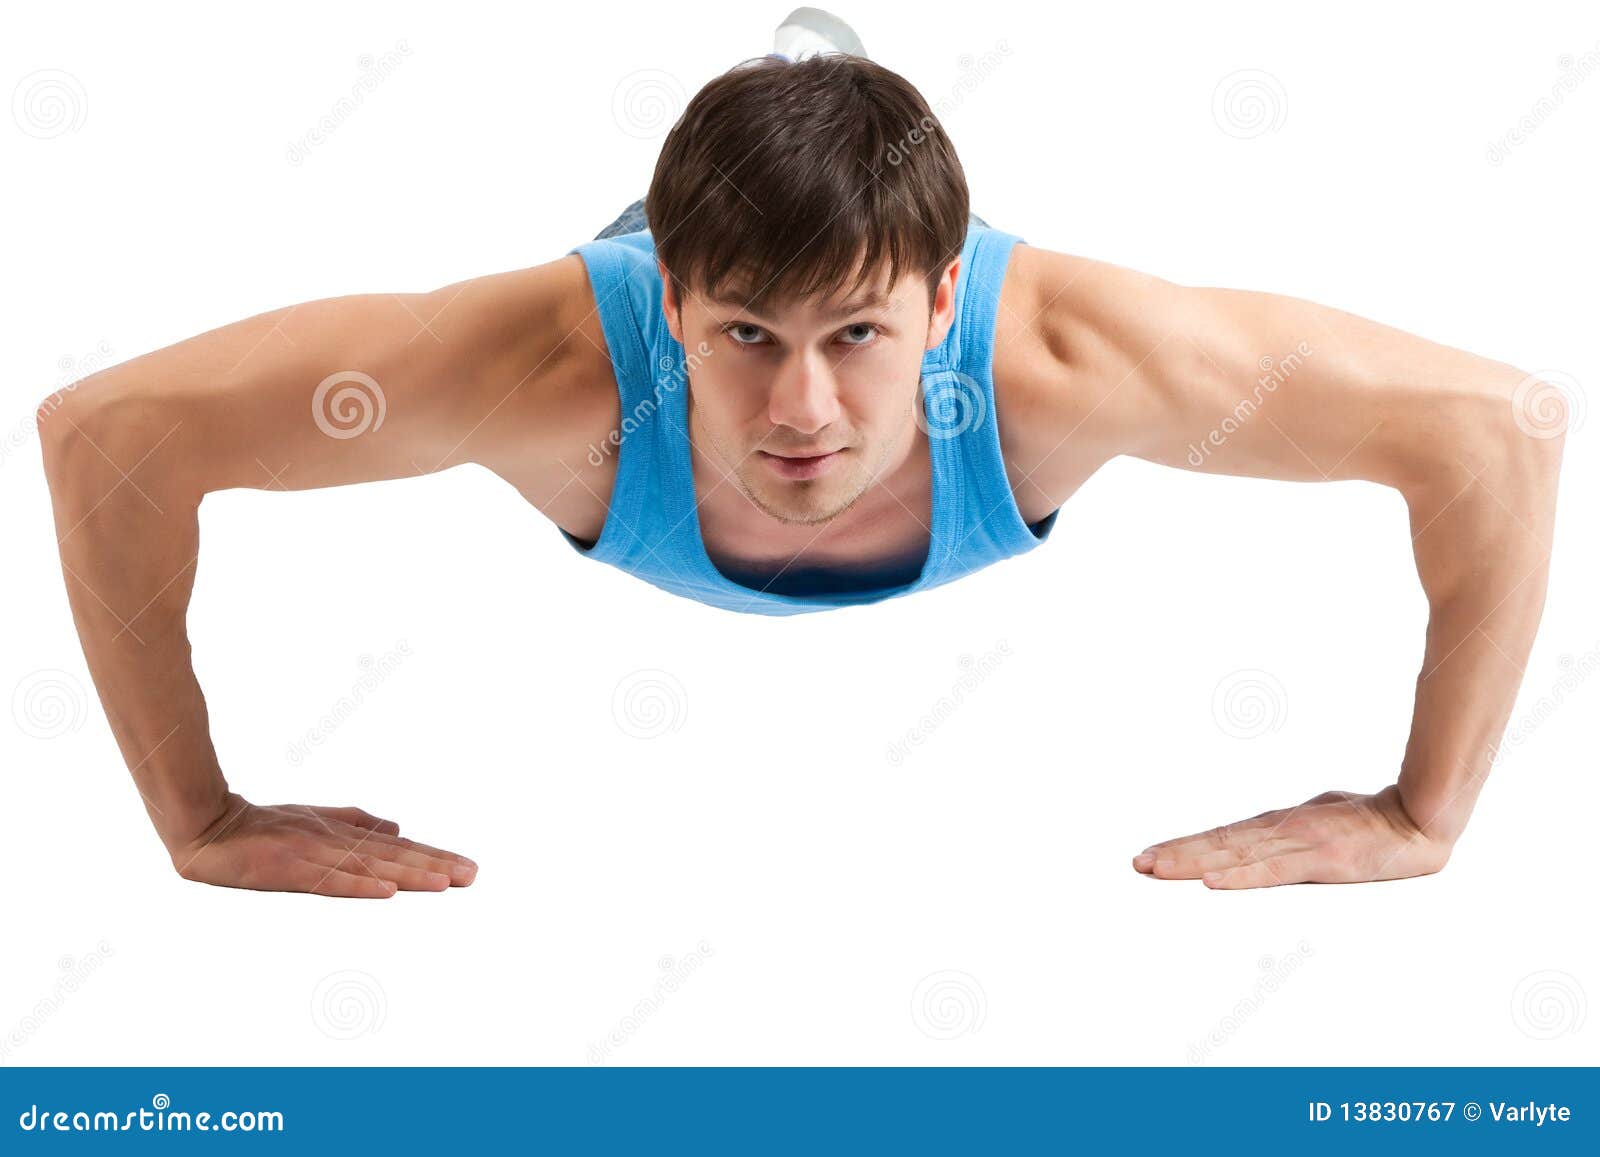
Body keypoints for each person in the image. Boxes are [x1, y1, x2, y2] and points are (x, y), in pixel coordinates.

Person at [37, 9, 1565, 897]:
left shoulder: (1070, 366)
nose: (803, 417)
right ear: (676, 302)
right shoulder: (545, 374)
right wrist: (201, 818)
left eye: (858, 337)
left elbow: (1497, 431)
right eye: (747, 338)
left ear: (946, 298)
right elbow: (104, 434)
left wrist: (1423, 814)